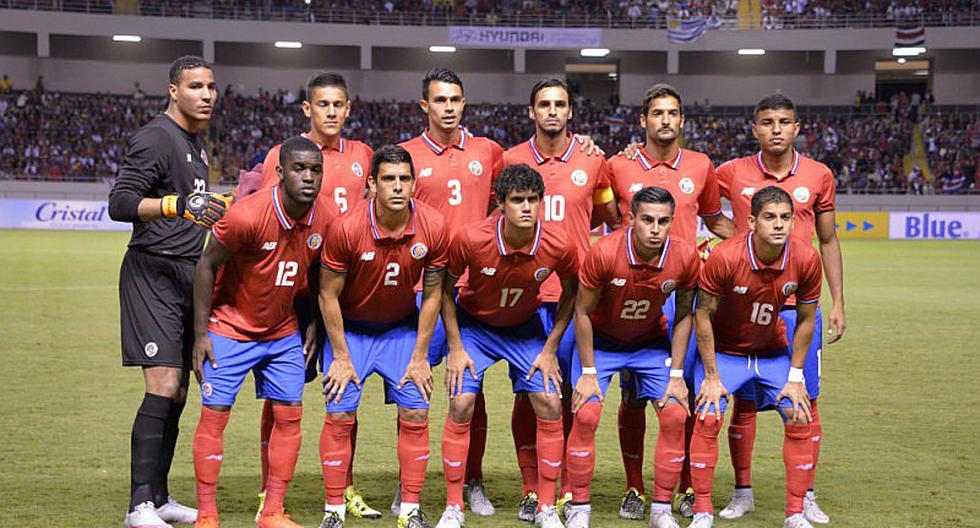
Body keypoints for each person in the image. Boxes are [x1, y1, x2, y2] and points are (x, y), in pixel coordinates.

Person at [252, 71, 380, 521]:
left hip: (345, 288)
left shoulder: (364, 156)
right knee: (280, 393)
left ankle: (344, 488)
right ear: (307, 108)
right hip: (295, 288)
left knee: (345, 391)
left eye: (338, 104)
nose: (330, 112)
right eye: (321, 104)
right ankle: (270, 491)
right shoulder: (282, 156)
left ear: (348, 109)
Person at [714, 94, 846, 524]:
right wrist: (734, 241)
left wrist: (839, 300)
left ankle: (805, 495)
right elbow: (695, 203)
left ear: (796, 127)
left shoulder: (818, 175)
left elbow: (827, 240)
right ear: (754, 129)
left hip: (798, 305)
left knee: (806, 401)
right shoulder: (730, 173)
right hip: (744, 304)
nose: (775, 128)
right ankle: (742, 491)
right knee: (744, 402)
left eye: (784, 121)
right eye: (767, 121)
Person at [108, 55, 225, 528]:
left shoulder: (194, 145)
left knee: (178, 394)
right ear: (173, 91)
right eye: (195, 86)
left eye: (211, 87)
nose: (206, 95)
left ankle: (159, 498)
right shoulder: (156, 137)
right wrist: (178, 204)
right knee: (162, 386)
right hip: (152, 273)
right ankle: (138, 506)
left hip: (186, 275)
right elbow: (119, 203)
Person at [190, 136, 330, 528]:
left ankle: (272, 512)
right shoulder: (246, 216)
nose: (308, 177)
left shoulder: (326, 216)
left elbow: (320, 268)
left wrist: (314, 321)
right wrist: (201, 334)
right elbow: (206, 265)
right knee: (215, 416)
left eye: (315, 169)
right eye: (299, 169)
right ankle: (207, 514)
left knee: (290, 416)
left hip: (282, 331)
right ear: (281, 173)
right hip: (230, 329)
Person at [608, 84, 733, 520]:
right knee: (633, 398)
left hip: (685, 294)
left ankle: (680, 487)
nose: (665, 120)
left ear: (682, 120)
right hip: (634, 293)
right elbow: (603, 218)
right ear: (642, 120)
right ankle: (633, 488)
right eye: (657, 113)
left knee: (682, 394)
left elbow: (715, 219)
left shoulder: (700, 166)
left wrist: (754, 247)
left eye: (673, 113)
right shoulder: (617, 165)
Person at [435, 164, 578, 528]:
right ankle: (454, 507)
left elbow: (573, 292)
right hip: (474, 327)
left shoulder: (558, 243)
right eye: (517, 201)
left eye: (533, 200)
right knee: (462, 402)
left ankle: (546, 507)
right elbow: (445, 292)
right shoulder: (471, 238)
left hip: (524, 330)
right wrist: (455, 346)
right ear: (500, 203)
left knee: (549, 401)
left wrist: (549, 348)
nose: (526, 208)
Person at [503, 78, 620, 521]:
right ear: (531, 111)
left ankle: (568, 488)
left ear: (571, 112)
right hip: (527, 297)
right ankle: (531, 488)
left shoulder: (593, 160)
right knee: (526, 394)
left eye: (560, 105)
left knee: (571, 395)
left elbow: (612, 216)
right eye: (544, 105)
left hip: (577, 298)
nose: (552, 111)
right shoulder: (510, 159)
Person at [317, 145, 448, 528]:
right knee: (339, 413)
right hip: (352, 333)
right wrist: (340, 357)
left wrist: (421, 355)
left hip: (401, 331)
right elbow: (328, 294)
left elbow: (435, 292)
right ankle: (333, 511)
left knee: (416, 411)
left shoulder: (433, 226)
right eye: (388, 179)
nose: (397, 187)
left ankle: (409, 510)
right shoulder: (346, 228)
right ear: (372, 183)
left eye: (404, 179)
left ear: (414, 183)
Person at [398, 69, 505, 515]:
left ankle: (473, 480)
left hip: (474, 289)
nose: (448, 107)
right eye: (439, 100)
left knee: (469, 392)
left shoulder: (488, 151)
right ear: (424, 105)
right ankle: (408, 485)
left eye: (455, 99)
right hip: (422, 290)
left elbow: (503, 208)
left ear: (464, 104)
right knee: (413, 387)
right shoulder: (405, 156)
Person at [563, 186, 700, 528]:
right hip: (603, 344)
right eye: (648, 220)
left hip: (650, 344)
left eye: (664, 221)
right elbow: (581, 312)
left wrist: (677, 375)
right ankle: (579, 507)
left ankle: (661, 511)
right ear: (631, 220)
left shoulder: (684, 256)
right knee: (587, 413)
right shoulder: (605, 253)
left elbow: (685, 315)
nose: (656, 229)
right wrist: (589, 371)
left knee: (675, 414)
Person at [689, 185, 821, 528]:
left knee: (799, 412)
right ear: (751, 221)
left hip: (772, 351)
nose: (778, 225)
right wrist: (713, 377)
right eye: (770, 217)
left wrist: (795, 378)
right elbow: (701, 314)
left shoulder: (806, 258)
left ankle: (794, 513)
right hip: (727, 353)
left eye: (785, 218)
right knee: (707, 412)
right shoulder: (726, 256)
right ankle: (703, 510)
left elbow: (806, 320)